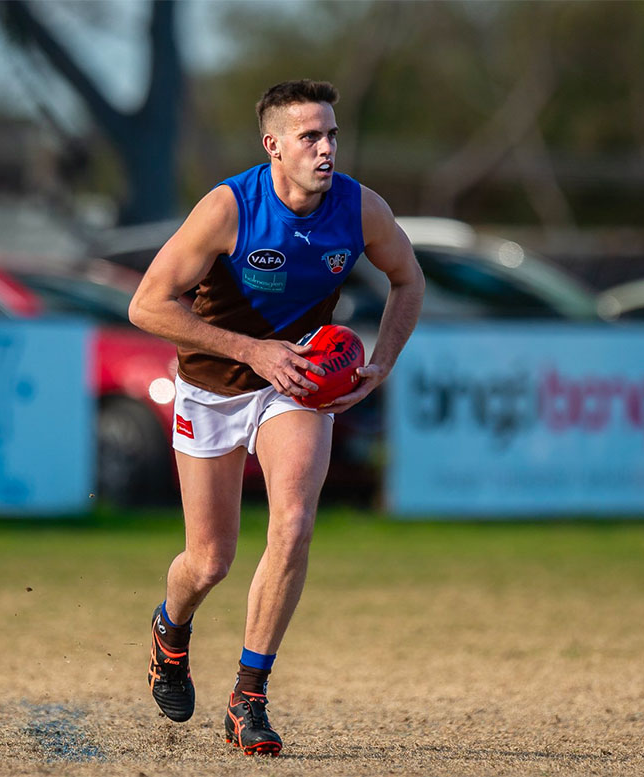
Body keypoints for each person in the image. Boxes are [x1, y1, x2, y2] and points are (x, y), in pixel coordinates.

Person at [128, 79, 424, 756]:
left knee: (293, 523)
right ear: (274, 147)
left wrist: (382, 360)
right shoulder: (230, 208)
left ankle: (248, 697)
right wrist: (250, 349)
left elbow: (409, 278)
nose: (326, 149)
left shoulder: (359, 208)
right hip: (211, 385)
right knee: (209, 561)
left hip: (294, 384)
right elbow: (146, 304)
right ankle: (171, 631)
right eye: (310, 136)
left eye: (332, 134)